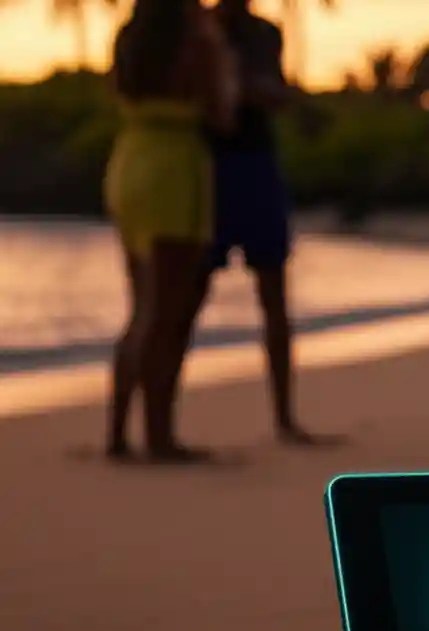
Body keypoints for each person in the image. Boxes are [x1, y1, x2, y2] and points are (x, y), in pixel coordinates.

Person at [191, 0, 330, 444]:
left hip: (254, 164)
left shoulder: (265, 33)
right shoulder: (200, 29)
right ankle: (160, 423)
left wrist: (251, 89)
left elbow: (271, 91)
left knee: (274, 296)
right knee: (185, 297)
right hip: (208, 169)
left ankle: (284, 417)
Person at [104, 0, 237, 462]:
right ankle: (160, 437)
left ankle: (119, 434)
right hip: (174, 168)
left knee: (140, 307)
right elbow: (221, 111)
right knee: (167, 313)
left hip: (131, 160)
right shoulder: (196, 39)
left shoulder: (130, 36)